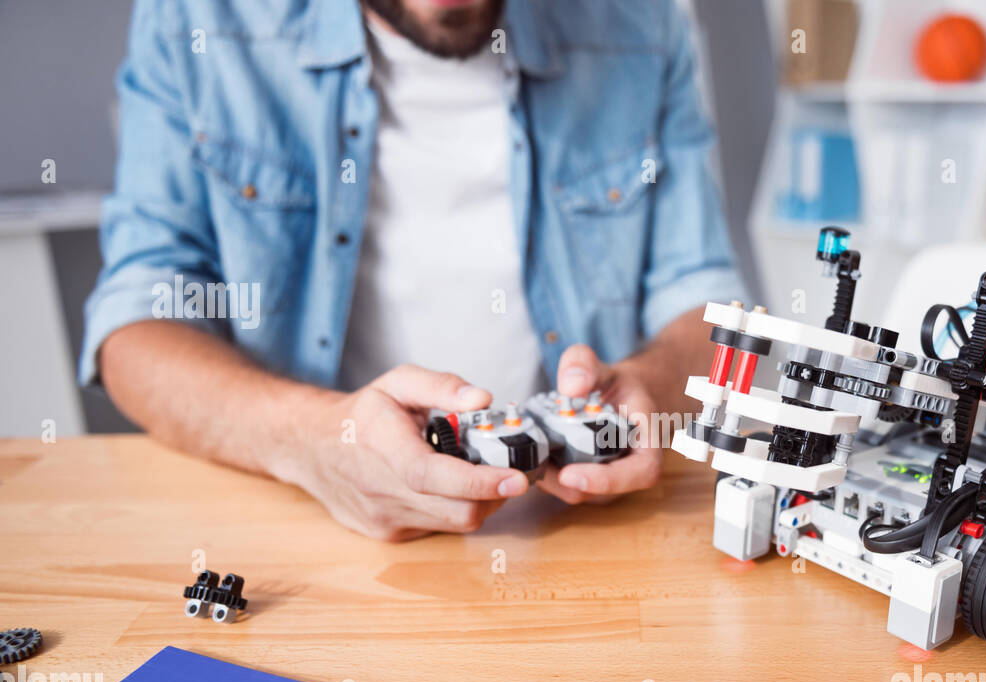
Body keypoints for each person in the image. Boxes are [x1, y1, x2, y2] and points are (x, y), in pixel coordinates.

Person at [83, 0, 744, 540]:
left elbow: (708, 302)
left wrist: (653, 388)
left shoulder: (642, 20)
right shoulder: (194, 20)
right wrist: (309, 438)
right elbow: (134, 329)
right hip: (306, 535)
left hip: (580, 535)